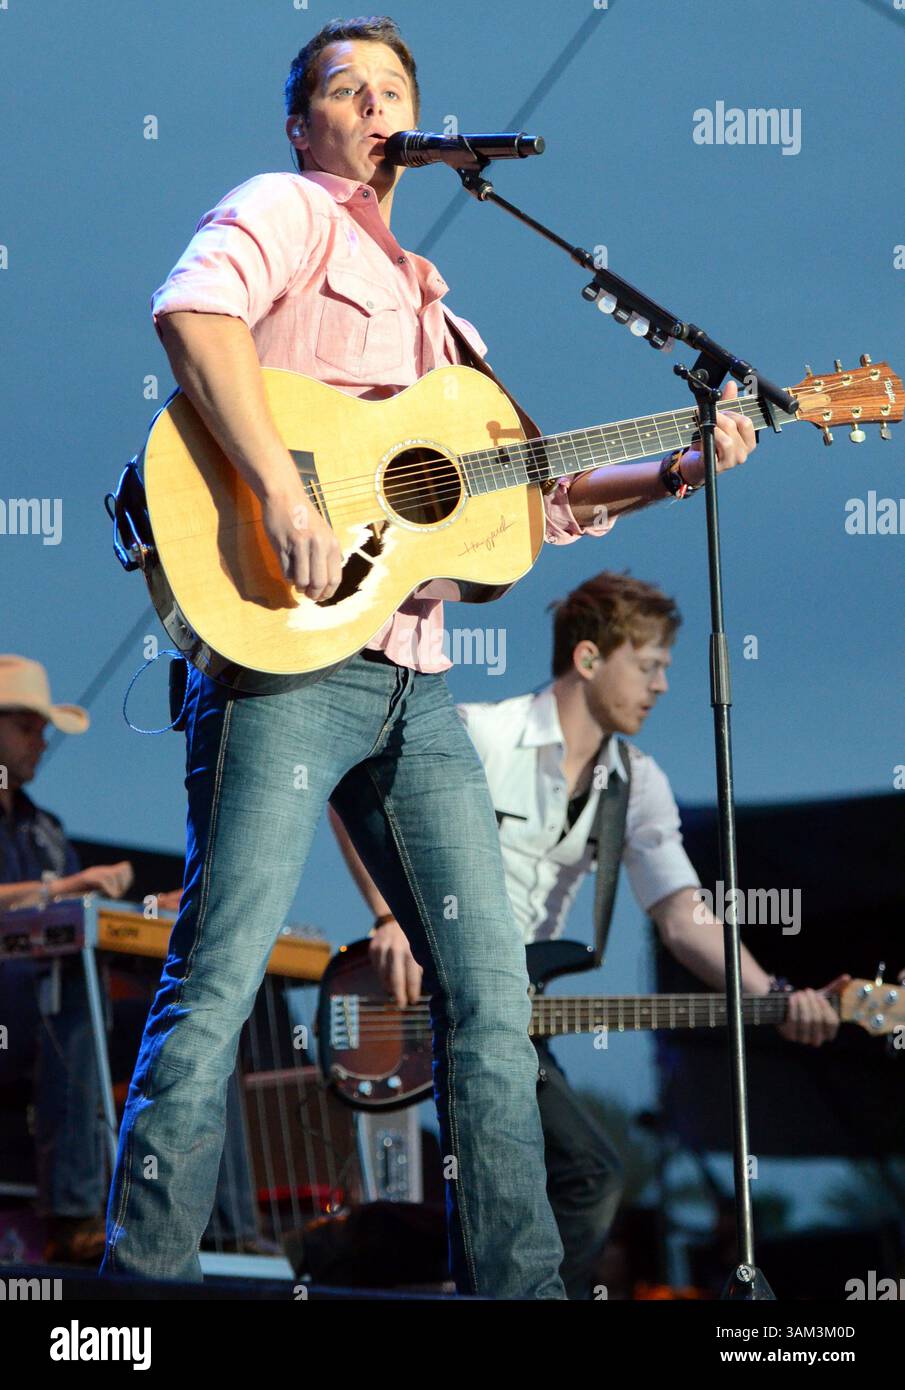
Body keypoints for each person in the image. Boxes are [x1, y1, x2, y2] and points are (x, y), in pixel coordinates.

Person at [100, 17, 755, 1297]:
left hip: (416, 679)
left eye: (393, 88)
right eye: (346, 89)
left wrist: (679, 465)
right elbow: (192, 311)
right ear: (303, 124)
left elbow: (529, 503)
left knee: (487, 998)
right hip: (284, 659)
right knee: (221, 969)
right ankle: (142, 1285)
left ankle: (513, 1288)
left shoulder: (442, 325)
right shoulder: (282, 206)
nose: (373, 104)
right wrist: (281, 498)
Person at [332, 571, 842, 1299]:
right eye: (649, 663)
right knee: (583, 1174)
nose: (662, 684)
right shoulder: (480, 734)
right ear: (587, 659)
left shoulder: (636, 783)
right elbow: (351, 784)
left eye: (665, 667)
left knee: (572, 1176)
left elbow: (681, 914)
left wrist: (775, 996)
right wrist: (387, 915)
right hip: (439, 991)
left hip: (519, 1008)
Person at [0, 655, 133, 1263]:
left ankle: (229, 1225)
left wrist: (157, 906)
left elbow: (79, 912)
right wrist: (68, 888)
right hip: (16, 1014)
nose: (42, 738)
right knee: (74, 1004)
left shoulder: (45, 828)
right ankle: (75, 1218)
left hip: (48, 1005)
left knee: (195, 1018)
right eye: (28, 725)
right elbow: (64, 898)